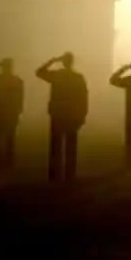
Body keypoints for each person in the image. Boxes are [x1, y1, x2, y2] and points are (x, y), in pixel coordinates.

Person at [36, 53, 88, 183]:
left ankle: (54, 175)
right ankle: (70, 175)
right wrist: (83, 115)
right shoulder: (78, 77)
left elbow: (39, 72)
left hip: (58, 113)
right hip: (72, 114)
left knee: (55, 146)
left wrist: (52, 61)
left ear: (63, 62)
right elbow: (84, 98)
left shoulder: (57, 75)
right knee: (71, 146)